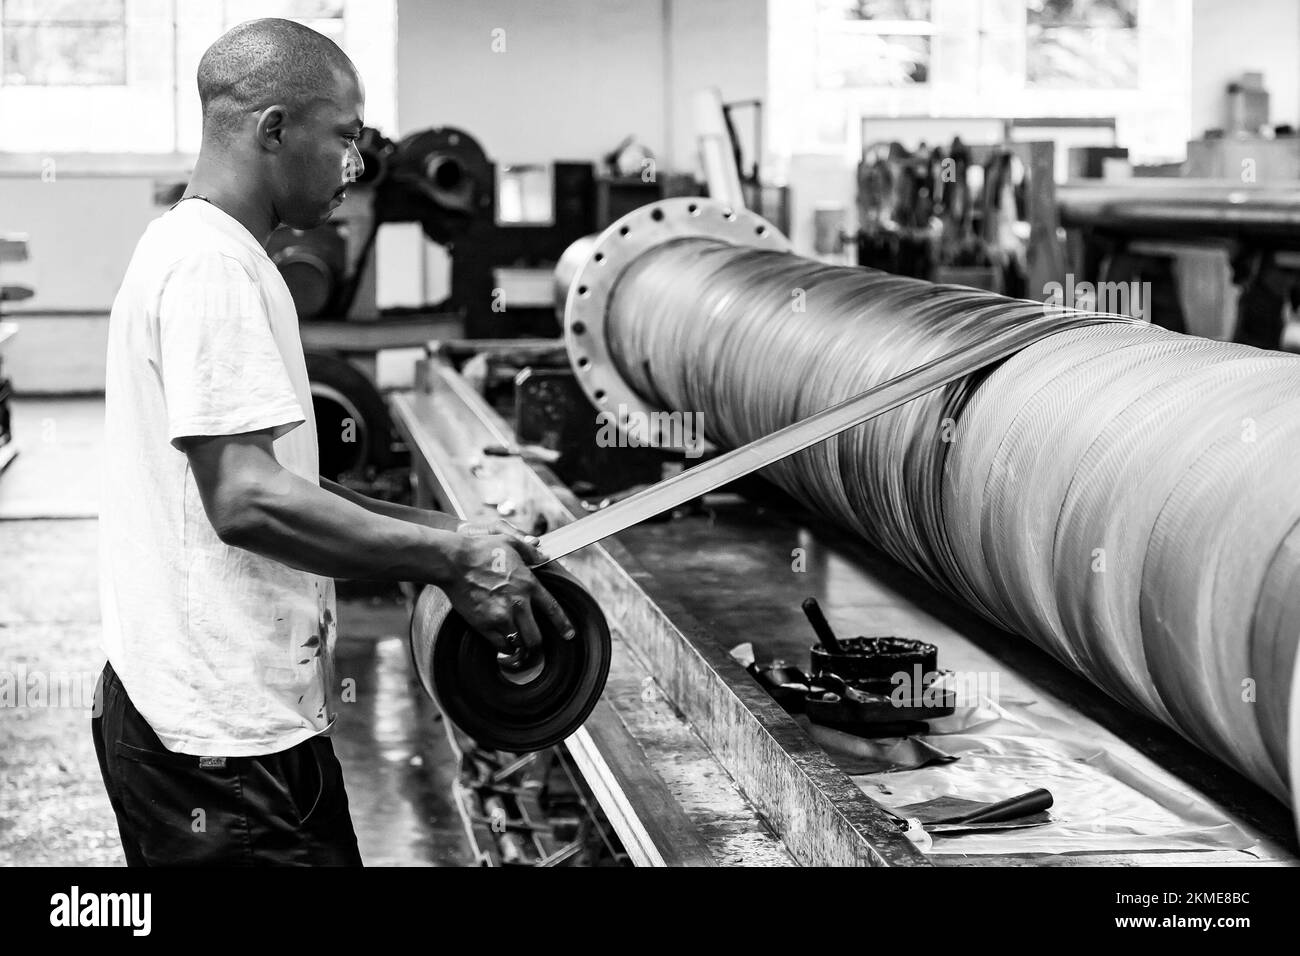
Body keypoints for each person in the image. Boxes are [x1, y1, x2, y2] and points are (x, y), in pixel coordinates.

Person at [93, 18, 572, 866]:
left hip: (227, 722)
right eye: (343, 137)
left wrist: (453, 537)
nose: (356, 165)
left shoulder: (212, 251)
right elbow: (246, 502)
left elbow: (288, 484)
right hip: (222, 750)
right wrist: (449, 567)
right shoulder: (213, 270)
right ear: (273, 128)